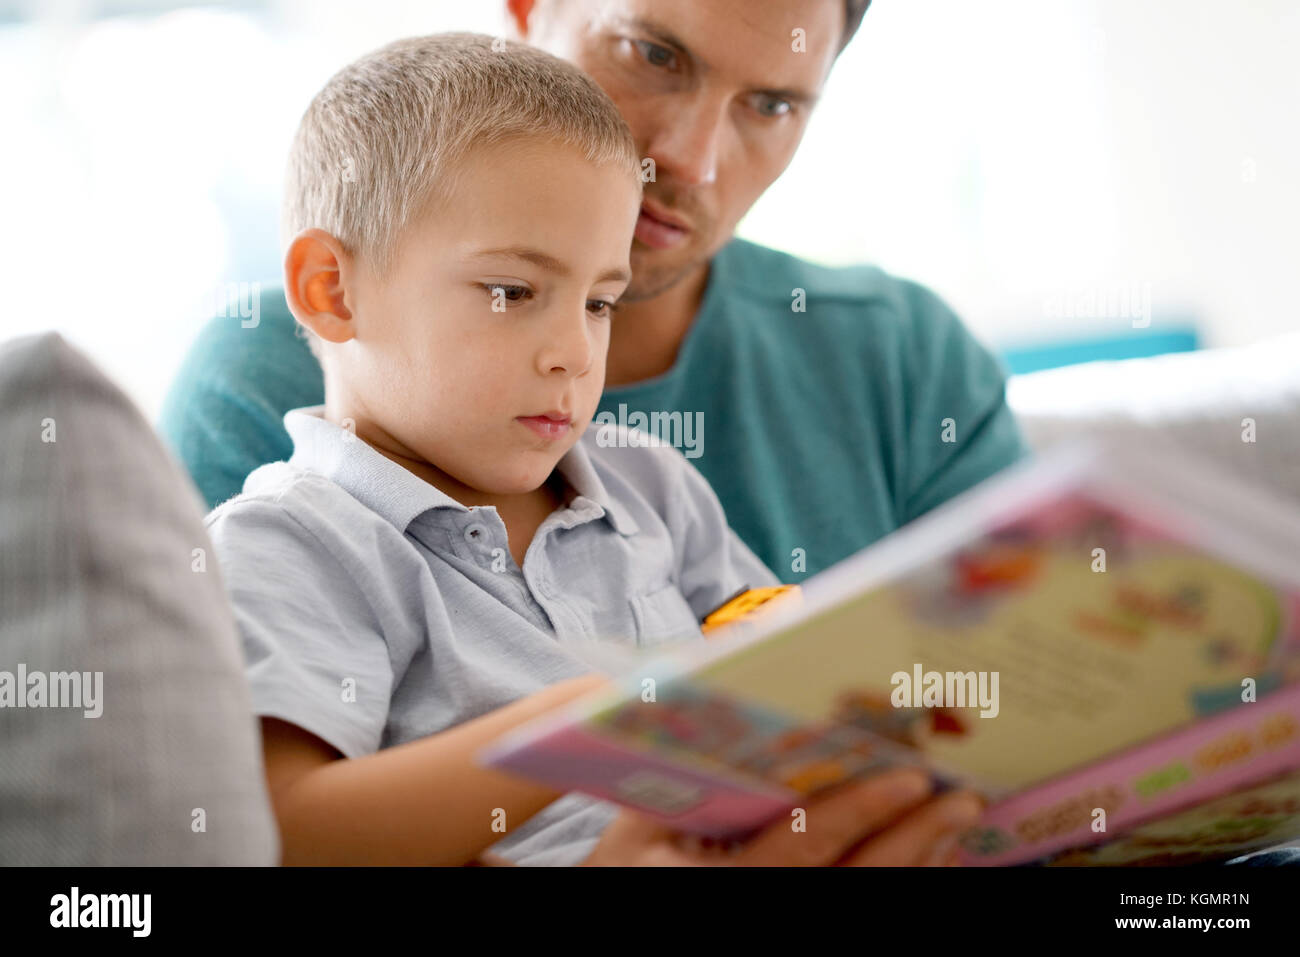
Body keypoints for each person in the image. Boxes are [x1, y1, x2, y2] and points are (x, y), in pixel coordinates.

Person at [208, 32, 984, 867]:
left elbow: (781, 671)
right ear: (332, 288)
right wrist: (597, 716)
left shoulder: (655, 487)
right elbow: (282, 832)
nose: (575, 352)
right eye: (513, 291)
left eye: (601, 302)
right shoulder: (288, 542)